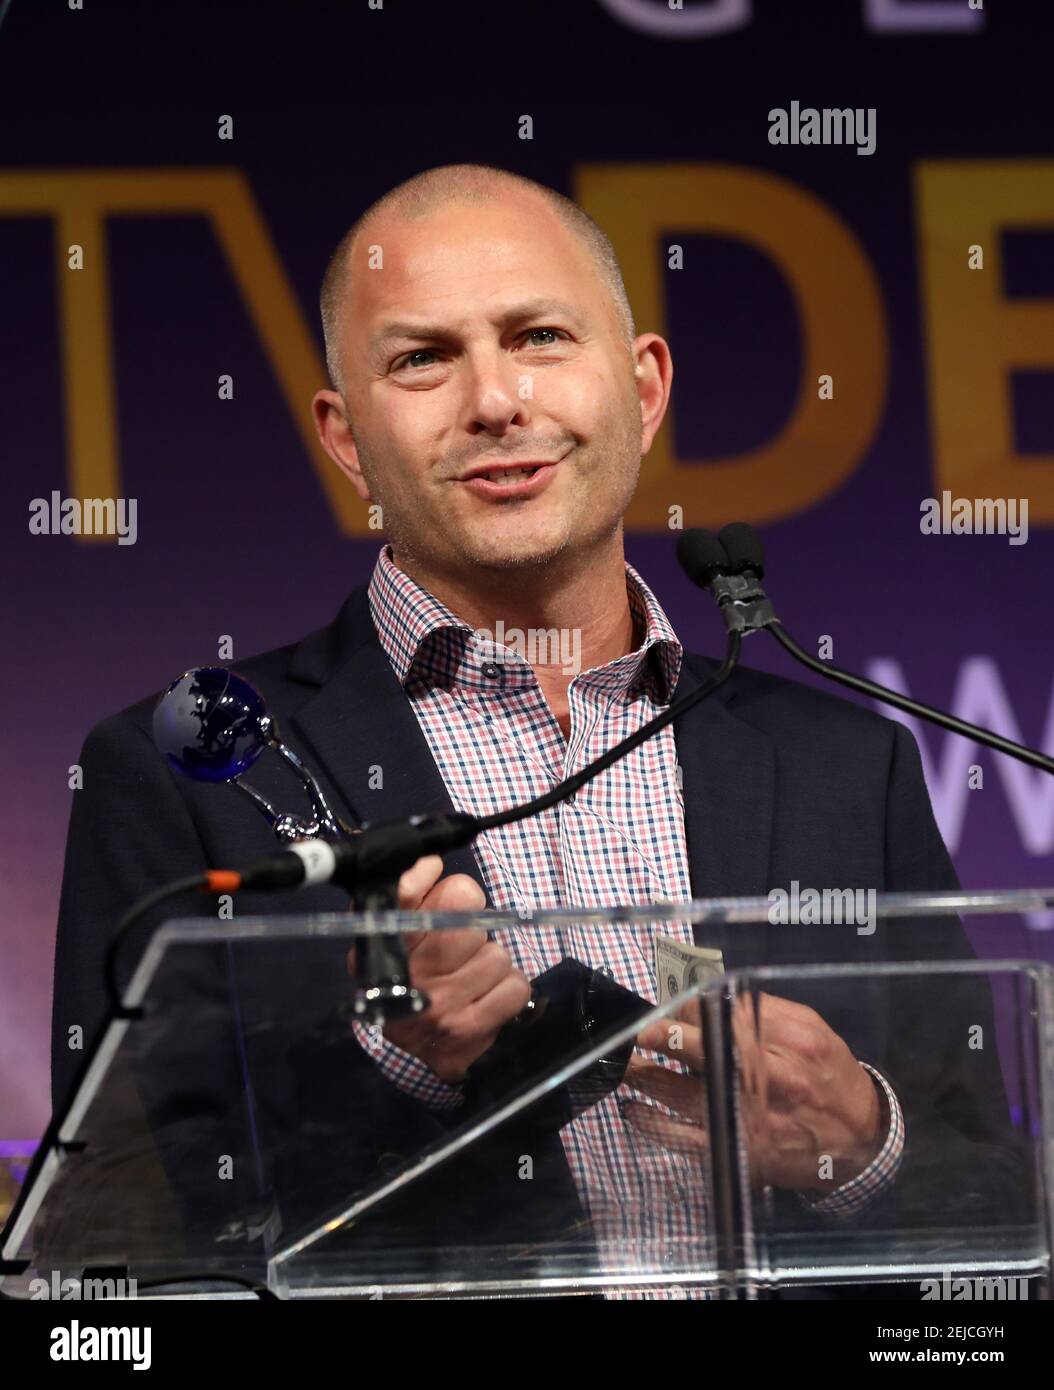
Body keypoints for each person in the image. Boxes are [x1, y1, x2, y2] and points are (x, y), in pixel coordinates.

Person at [52, 164, 1021, 1299]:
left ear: (644, 386)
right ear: (346, 436)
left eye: (540, 335)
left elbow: (991, 1201)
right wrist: (396, 1064)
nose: (496, 400)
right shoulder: (187, 769)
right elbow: (125, 1241)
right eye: (421, 358)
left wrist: (862, 1145)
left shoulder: (846, 766)